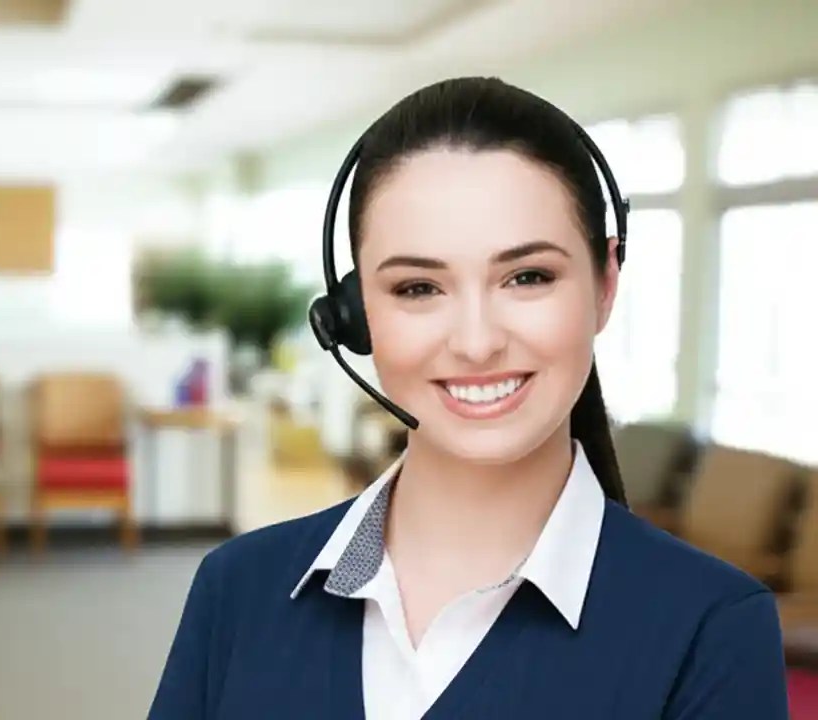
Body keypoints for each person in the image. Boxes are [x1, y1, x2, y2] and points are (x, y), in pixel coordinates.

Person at [147, 76, 789, 719]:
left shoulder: (711, 629)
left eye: (527, 277)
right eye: (419, 288)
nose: (477, 343)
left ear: (604, 283)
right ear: (355, 314)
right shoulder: (237, 590)